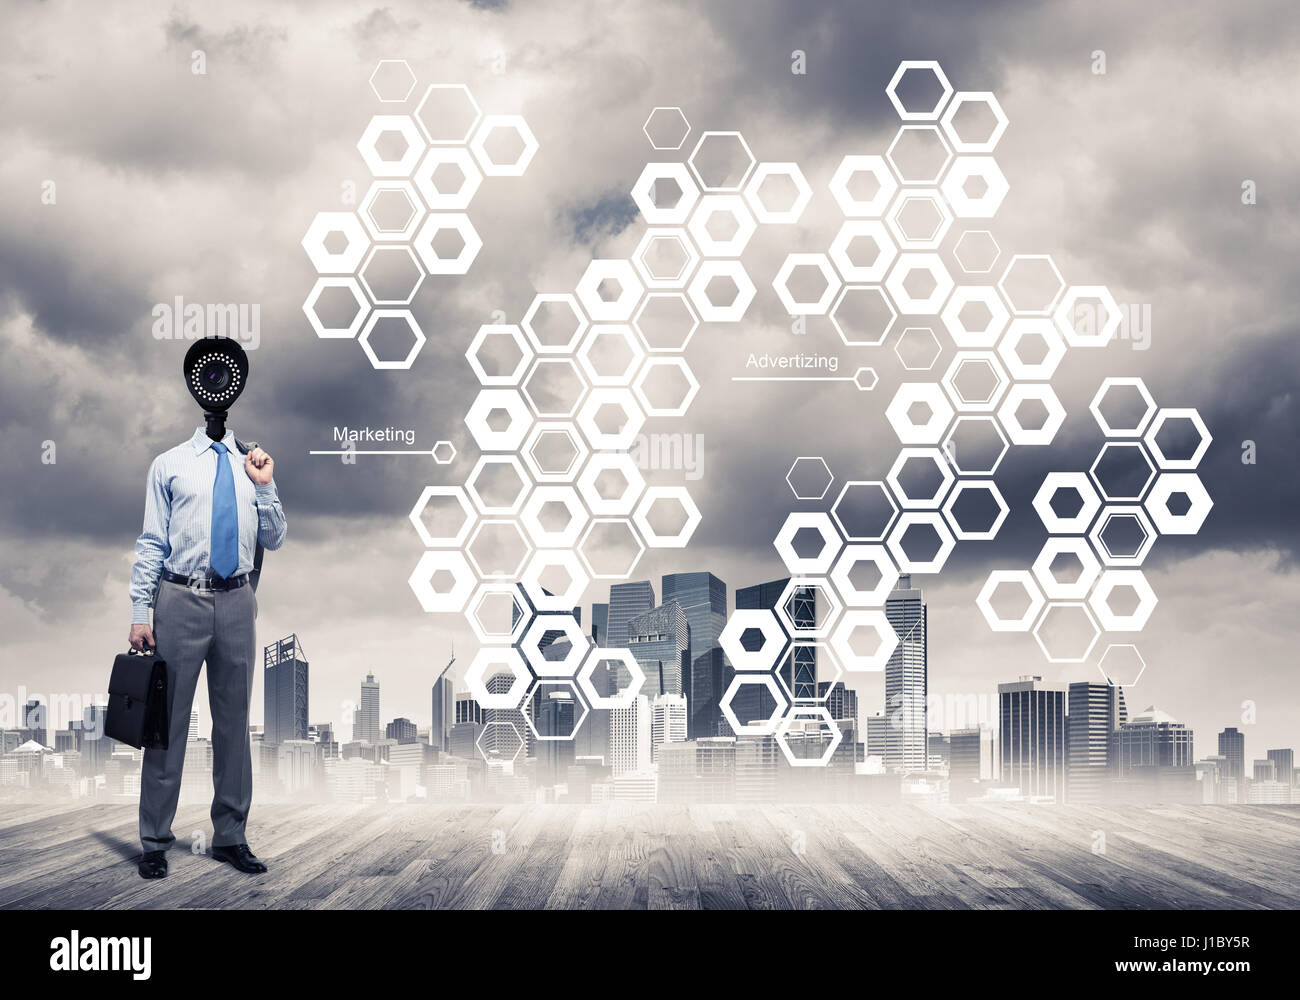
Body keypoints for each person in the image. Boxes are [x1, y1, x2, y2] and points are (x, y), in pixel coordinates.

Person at [127, 425, 286, 880]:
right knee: (166, 723)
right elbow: (153, 542)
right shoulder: (169, 464)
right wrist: (142, 610)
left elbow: (274, 539)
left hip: (237, 599)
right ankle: (155, 841)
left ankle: (230, 838)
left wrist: (266, 485)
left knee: (234, 725)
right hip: (178, 600)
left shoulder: (253, 464)